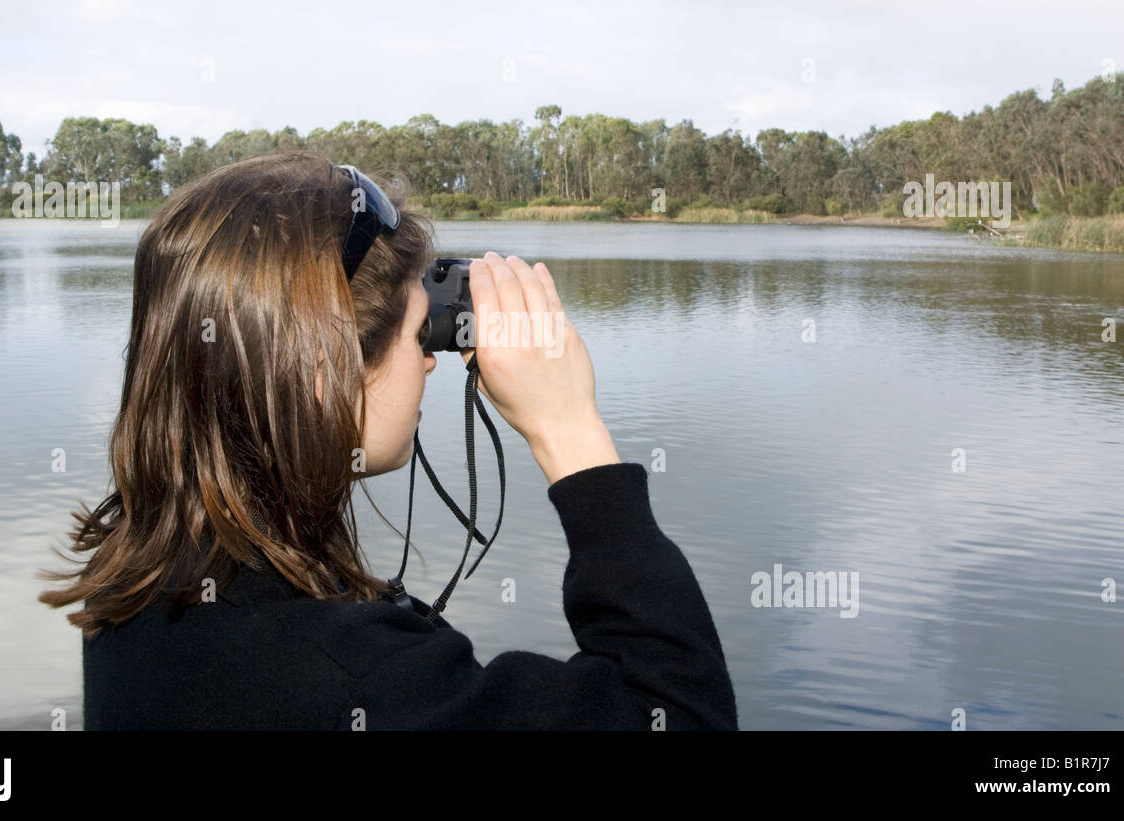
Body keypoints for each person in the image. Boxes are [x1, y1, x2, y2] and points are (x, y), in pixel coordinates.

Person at [38, 151, 738, 730]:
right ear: (325, 374)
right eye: (419, 332)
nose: (431, 358)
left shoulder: (134, 583)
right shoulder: (362, 682)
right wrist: (570, 429)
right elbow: (680, 711)